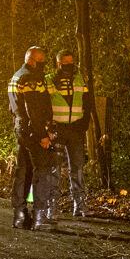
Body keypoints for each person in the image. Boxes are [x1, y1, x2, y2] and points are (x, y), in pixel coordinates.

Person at [7, 46, 54, 229]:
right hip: (33, 129)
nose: (43, 64)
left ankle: (19, 215)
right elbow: (33, 110)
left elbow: (16, 107)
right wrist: (43, 135)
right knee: (42, 170)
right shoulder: (30, 78)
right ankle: (39, 218)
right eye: (41, 60)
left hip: (21, 128)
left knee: (23, 171)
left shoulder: (16, 76)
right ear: (31, 60)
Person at [48, 51, 91, 218]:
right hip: (57, 129)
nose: (69, 66)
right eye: (65, 63)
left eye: (71, 63)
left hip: (75, 129)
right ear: (58, 63)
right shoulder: (49, 79)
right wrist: (48, 127)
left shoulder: (80, 79)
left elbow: (87, 102)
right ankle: (52, 206)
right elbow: (45, 103)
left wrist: (84, 123)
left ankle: (80, 205)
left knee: (78, 168)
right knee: (55, 169)